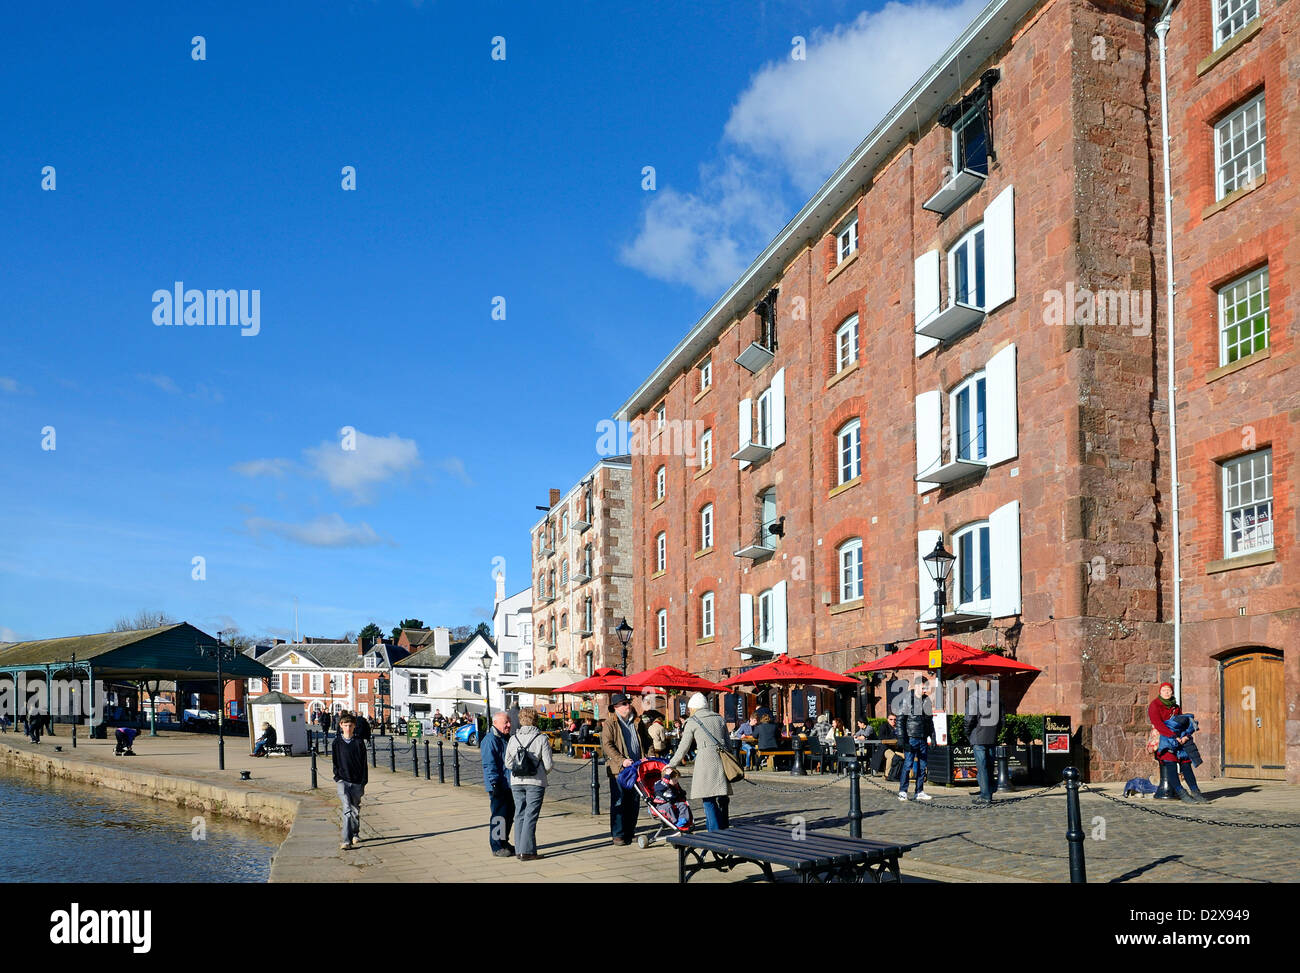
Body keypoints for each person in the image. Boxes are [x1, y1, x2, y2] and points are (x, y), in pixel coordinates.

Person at [667, 693, 733, 831]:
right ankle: (724, 826)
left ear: (693, 708)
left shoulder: (692, 721)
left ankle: (714, 833)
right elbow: (729, 744)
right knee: (722, 796)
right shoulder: (719, 718)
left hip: (705, 761)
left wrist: (671, 764)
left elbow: (683, 747)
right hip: (722, 759)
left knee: (708, 799)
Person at [602, 693, 653, 845]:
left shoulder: (637, 721)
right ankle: (618, 834)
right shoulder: (610, 723)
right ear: (616, 707)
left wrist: (649, 757)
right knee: (619, 801)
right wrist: (622, 760)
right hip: (620, 770)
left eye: (628, 702)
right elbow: (607, 745)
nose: (628, 706)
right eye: (624, 703)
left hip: (637, 767)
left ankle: (630, 831)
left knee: (634, 801)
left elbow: (648, 742)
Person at [503, 707, 553, 861]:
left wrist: (520, 770)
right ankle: (528, 852)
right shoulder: (541, 738)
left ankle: (519, 850)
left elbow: (508, 763)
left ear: (520, 720)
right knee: (530, 815)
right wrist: (537, 771)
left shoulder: (513, 739)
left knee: (519, 814)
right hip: (535, 782)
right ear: (535, 720)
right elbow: (549, 764)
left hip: (517, 782)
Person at [1149, 682, 1206, 803]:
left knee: (1186, 763)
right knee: (1171, 764)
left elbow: (1181, 722)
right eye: (1164, 690)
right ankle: (1181, 793)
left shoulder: (1175, 706)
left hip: (1178, 737)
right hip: (1164, 738)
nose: (1167, 692)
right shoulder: (1155, 705)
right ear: (1160, 692)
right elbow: (1158, 723)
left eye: (1169, 690)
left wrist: (1185, 735)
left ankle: (1195, 792)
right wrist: (1172, 736)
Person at [481, 711, 516, 857]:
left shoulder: (505, 738)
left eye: (509, 722)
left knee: (508, 815)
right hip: (498, 785)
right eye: (505, 722)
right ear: (495, 723)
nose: (508, 725)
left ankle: (503, 841)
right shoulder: (491, 740)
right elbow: (489, 764)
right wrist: (494, 784)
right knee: (499, 816)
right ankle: (496, 846)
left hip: (508, 784)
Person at [331, 714, 368, 850]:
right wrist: (337, 776)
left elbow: (364, 762)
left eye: (350, 726)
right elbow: (335, 761)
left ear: (354, 726)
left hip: (357, 780)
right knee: (346, 808)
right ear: (341, 725)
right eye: (345, 725)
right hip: (342, 780)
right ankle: (346, 840)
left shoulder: (358, 742)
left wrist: (363, 780)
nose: (348, 728)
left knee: (355, 809)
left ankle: (355, 833)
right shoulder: (337, 742)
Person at [964, 677, 1002, 803]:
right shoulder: (997, 699)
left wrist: (968, 733)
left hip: (978, 736)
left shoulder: (974, 699)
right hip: (991, 737)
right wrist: (996, 733)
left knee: (982, 767)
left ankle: (985, 795)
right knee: (990, 766)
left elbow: (969, 719)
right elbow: (1002, 720)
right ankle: (988, 791)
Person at [896, 680, 934, 801]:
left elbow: (929, 720)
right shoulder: (907, 698)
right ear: (917, 686)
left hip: (923, 737)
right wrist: (902, 738)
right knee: (908, 764)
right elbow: (900, 719)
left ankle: (919, 791)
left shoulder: (926, 700)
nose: (925, 690)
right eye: (923, 687)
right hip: (911, 736)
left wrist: (933, 736)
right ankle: (903, 791)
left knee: (923, 766)